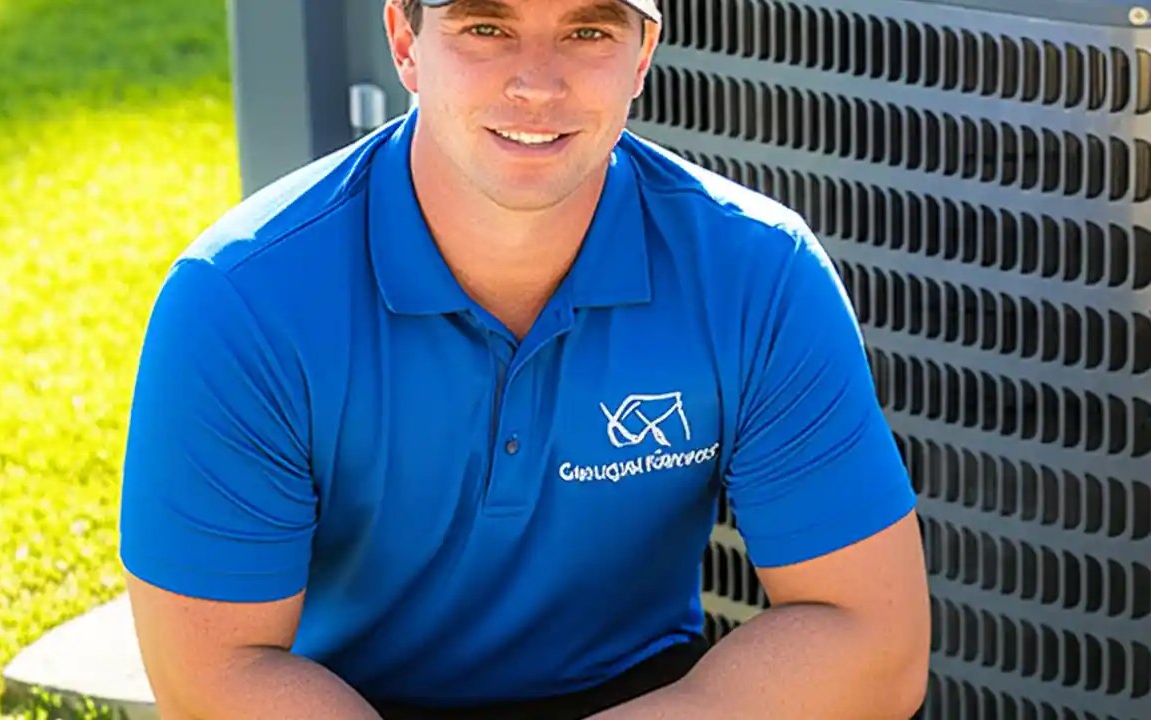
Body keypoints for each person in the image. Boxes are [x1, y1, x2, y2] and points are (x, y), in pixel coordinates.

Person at [117, 0, 932, 717]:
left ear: (643, 55)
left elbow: (870, 640)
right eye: (485, 26)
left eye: (587, 29)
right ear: (405, 38)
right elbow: (214, 673)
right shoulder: (242, 299)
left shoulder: (758, 271)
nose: (537, 83)